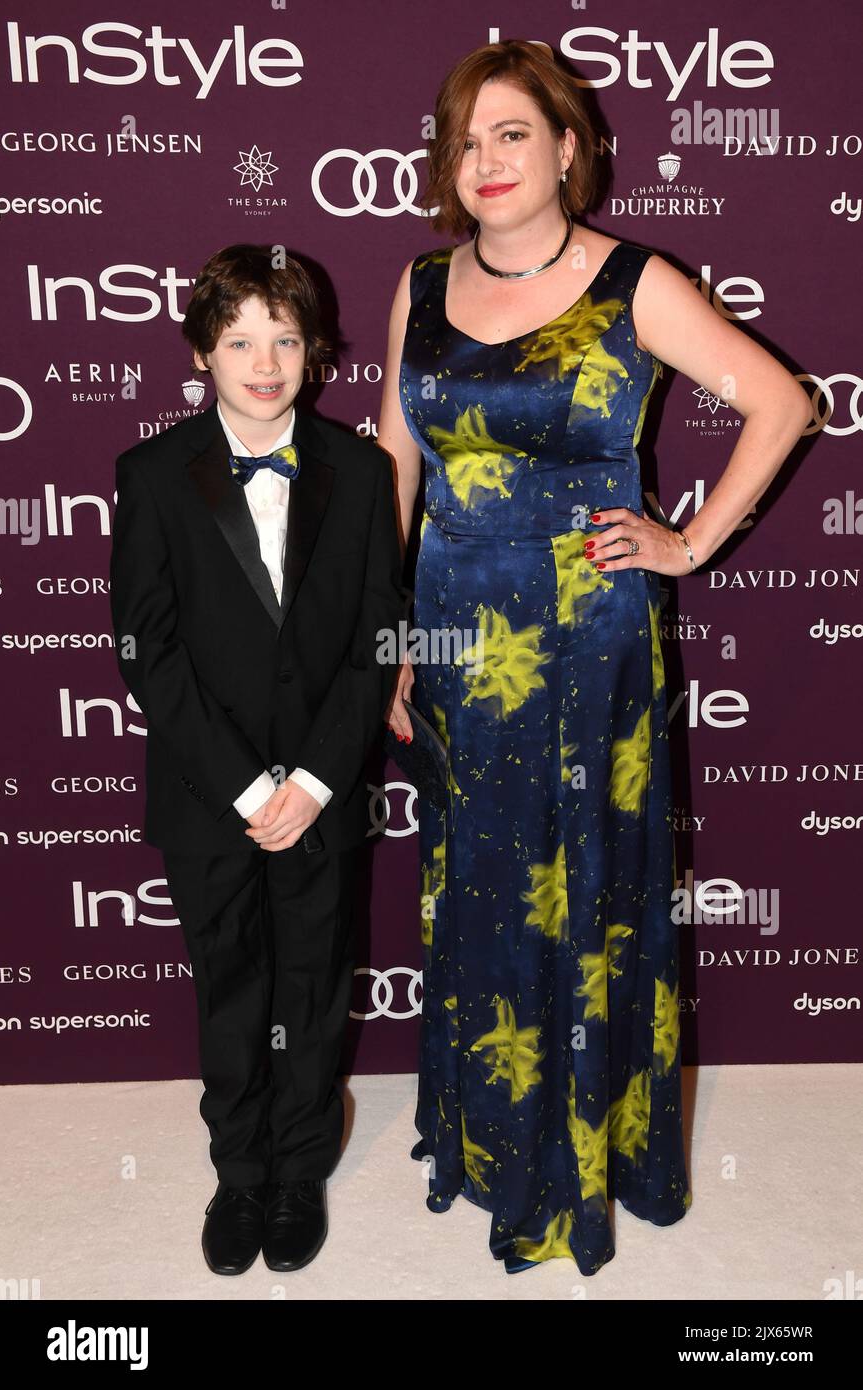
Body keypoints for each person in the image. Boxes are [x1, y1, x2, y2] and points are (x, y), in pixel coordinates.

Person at [377, 39, 810, 1275]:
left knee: (584, 885)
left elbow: (778, 403)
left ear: (570, 149)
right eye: (465, 142)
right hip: (459, 633)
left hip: (585, 635)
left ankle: (583, 1153)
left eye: (512, 134)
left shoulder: (632, 282)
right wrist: (395, 641)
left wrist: (688, 543)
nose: (485, 162)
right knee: (478, 882)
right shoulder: (420, 282)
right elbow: (399, 475)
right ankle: (488, 1135)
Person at [109, 243, 407, 1276]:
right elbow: (148, 651)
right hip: (208, 795)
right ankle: (239, 1175)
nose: (265, 360)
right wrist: (247, 783)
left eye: (285, 337)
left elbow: (378, 638)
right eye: (240, 340)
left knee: (314, 984)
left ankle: (297, 1173)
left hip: (321, 792)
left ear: (315, 349)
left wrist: (315, 780)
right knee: (231, 985)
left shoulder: (364, 474)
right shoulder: (149, 476)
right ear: (201, 351)